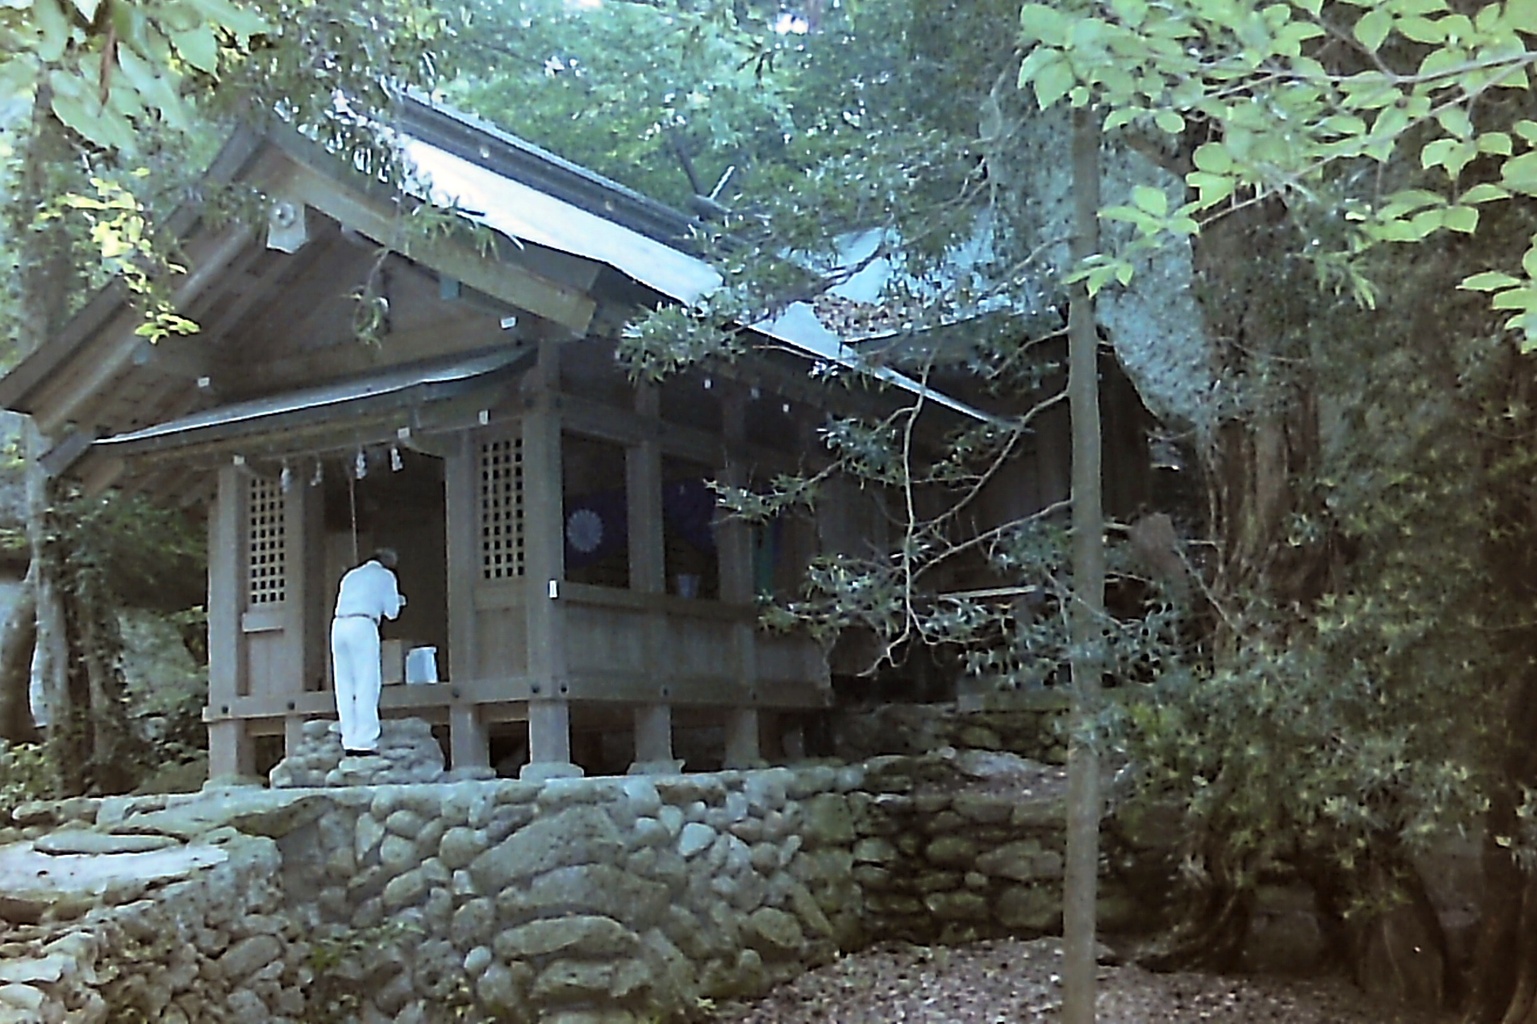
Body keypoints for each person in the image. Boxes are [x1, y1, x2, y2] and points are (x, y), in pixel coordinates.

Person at [330, 547, 405, 756]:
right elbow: (391, 612)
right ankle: (365, 740)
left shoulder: (351, 575)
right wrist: (399, 600)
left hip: (339, 625)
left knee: (344, 683)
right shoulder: (385, 576)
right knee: (366, 680)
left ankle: (348, 738)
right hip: (363, 624)